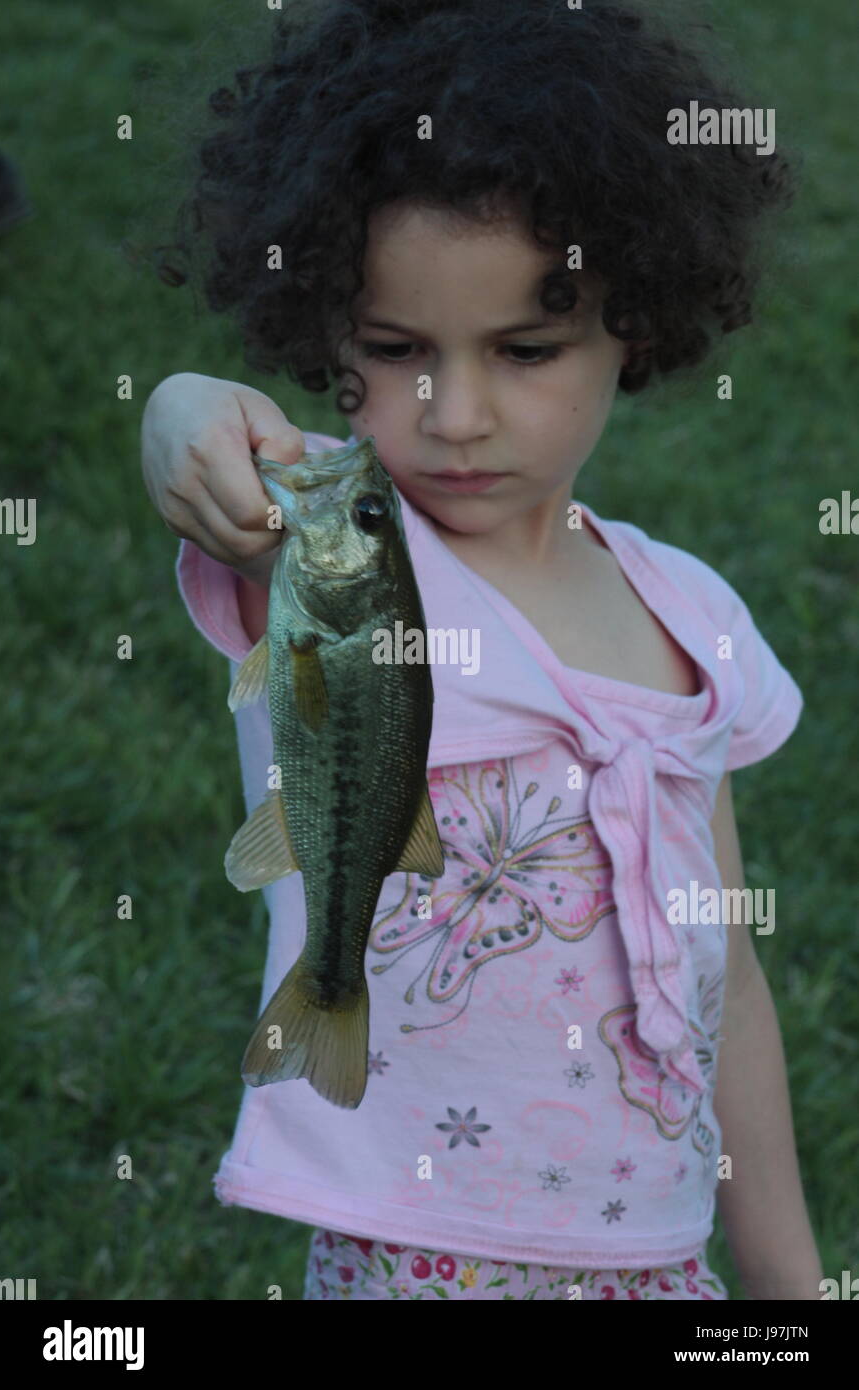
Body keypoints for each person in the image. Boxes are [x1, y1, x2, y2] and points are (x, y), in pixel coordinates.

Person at [140, 0, 822, 1299]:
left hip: (657, 1263)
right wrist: (178, 419)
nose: (452, 415)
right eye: (392, 352)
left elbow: (722, 972)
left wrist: (787, 1284)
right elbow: (199, 430)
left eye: (524, 350)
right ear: (325, 329)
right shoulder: (340, 553)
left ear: (643, 315)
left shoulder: (688, 615)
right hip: (420, 1257)